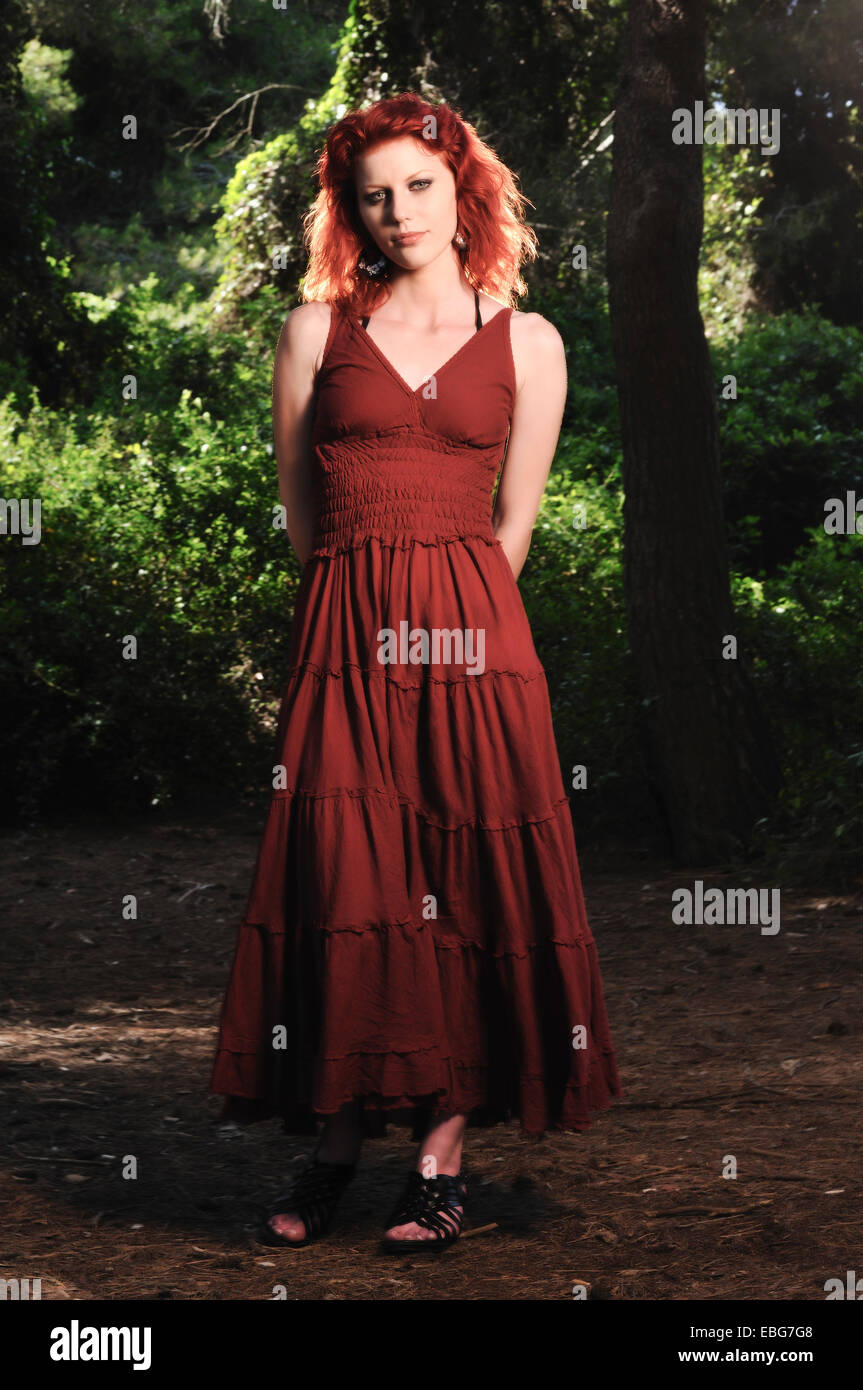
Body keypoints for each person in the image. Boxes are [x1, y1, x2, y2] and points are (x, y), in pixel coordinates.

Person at [209, 91, 622, 1253]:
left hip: (473, 648)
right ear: (353, 209)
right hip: (344, 637)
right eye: (375, 194)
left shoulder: (528, 342)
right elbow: (303, 519)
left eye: (419, 187)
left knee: (463, 879)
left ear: (463, 190)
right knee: (344, 885)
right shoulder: (311, 331)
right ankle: (337, 1143)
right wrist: (365, 605)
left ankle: (439, 1160)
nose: (399, 211)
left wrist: (446, 629)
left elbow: (514, 528)